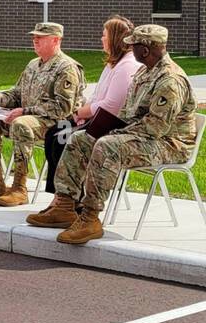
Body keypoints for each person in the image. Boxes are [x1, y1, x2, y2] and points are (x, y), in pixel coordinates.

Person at [29, 25, 196, 244]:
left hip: (170, 144)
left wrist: (114, 132)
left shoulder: (170, 81)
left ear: (144, 50)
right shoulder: (144, 72)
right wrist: (103, 126)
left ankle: (90, 217)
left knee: (107, 145)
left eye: (133, 46)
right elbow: (128, 113)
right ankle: (65, 205)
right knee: (80, 139)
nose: (130, 49)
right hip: (141, 136)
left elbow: (155, 128)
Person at [0, 22, 84, 207]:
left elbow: (63, 108)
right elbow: (17, 94)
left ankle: (19, 188)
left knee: (21, 124)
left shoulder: (66, 68)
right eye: (34, 37)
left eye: (40, 37)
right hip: (28, 117)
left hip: (58, 124)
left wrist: (25, 111)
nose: (34, 40)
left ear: (55, 40)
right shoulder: (33, 65)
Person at [40, 16, 142, 194]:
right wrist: (79, 115)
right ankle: (59, 194)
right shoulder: (112, 64)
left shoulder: (126, 66)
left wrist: (81, 113)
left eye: (105, 35)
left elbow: (112, 105)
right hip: (90, 119)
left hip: (108, 125)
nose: (102, 39)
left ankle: (72, 197)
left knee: (63, 140)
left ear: (115, 38)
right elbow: (96, 97)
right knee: (54, 133)